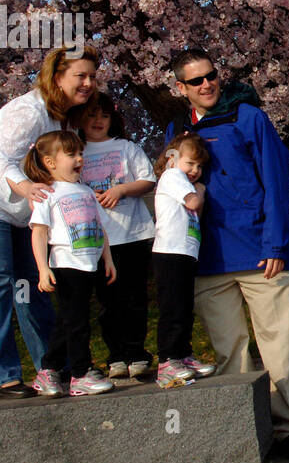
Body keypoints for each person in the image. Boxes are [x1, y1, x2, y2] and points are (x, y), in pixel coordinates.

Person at [163, 51, 289, 460]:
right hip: (207, 261)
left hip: (261, 255)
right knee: (230, 351)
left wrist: (276, 244)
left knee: (278, 347)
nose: (207, 85)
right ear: (181, 89)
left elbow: (277, 183)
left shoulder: (249, 118)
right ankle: (245, 432)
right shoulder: (175, 131)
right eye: (196, 81)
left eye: (211, 76)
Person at [0, 45, 99, 399]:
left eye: (92, 76)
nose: (88, 83)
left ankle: (53, 368)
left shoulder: (63, 119)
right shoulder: (29, 111)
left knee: (31, 284)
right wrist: (27, 185)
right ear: (57, 78)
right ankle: (0, 378)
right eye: (80, 76)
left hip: (19, 208)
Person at [72, 93, 158, 379]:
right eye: (92, 115)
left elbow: (147, 180)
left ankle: (137, 353)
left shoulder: (126, 148)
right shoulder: (75, 151)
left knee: (133, 297)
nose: (98, 121)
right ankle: (116, 355)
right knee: (107, 301)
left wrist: (120, 190)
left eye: (104, 116)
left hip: (131, 235)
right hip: (96, 240)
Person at [26, 130, 117, 397]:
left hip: (90, 265)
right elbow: (39, 232)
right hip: (66, 266)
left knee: (69, 321)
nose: (79, 158)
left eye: (80, 153)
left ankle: (49, 370)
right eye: (71, 154)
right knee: (78, 323)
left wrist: (108, 259)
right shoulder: (48, 193)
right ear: (50, 162)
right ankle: (79, 374)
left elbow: (100, 228)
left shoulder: (86, 191)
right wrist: (43, 268)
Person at [151, 133, 212, 388]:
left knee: (184, 309)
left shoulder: (180, 178)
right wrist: (201, 190)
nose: (195, 171)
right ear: (173, 159)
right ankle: (167, 360)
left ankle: (183, 355)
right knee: (172, 309)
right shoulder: (172, 176)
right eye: (190, 164)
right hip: (170, 252)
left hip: (185, 252)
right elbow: (195, 202)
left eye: (199, 167)